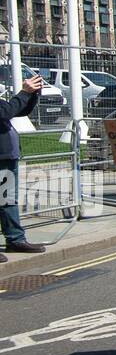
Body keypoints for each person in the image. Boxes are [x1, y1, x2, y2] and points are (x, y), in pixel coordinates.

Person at [0, 74, 49, 259]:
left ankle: (15, 240)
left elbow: (17, 111)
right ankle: (15, 239)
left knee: (7, 200)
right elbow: (6, 112)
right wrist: (24, 92)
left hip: (6, 157)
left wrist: (33, 94)